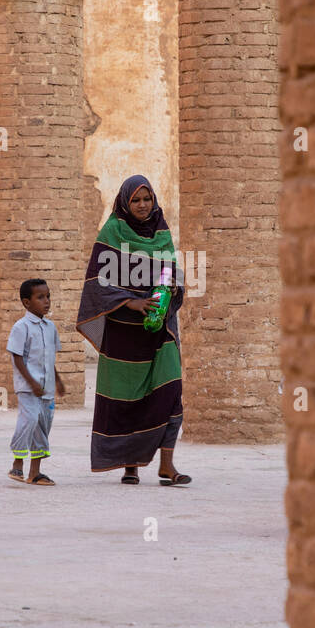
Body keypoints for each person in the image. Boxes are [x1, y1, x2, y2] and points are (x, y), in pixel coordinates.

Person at [76, 175, 192, 485]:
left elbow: (171, 273)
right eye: (136, 200)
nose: (143, 205)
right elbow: (96, 282)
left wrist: (173, 287)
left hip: (159, 329)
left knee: (171, 393)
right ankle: (130, 466)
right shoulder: (113, 230)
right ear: (125, 203)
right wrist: (132, 302)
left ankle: (167, 465)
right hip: (124, 332)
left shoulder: (162, 230)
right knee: (127, 398)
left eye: (147, 199)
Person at [8, 278, 65, 485]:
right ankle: (17, 464)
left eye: (48, 296)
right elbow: (17, 357)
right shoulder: (20, 327)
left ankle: (35, 473)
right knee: (29, 421)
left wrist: (57, 381)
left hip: (47, 389)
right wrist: (31, 382)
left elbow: (50, 359)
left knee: (43, 427)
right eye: (40, 297)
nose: (46, 301)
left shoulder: (50, 327)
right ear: (26, 302)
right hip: (28, 388)